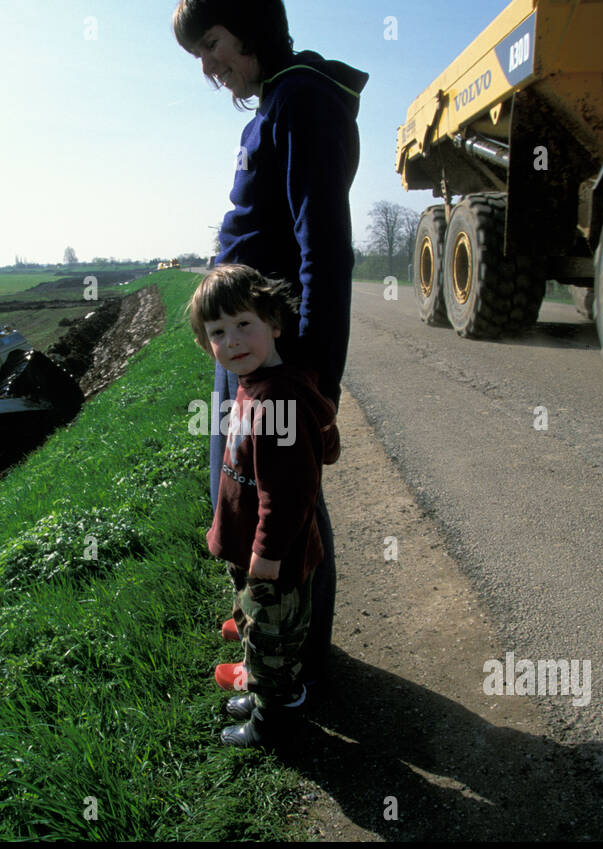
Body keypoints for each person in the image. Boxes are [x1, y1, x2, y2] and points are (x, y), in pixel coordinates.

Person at [173, 0, 367, 691]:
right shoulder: (277, 101)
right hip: (246, 348)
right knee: (243, 479)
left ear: (251, 26)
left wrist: (318, 374)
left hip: (277, 356)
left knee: (288, 496)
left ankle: (298, 657)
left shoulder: (302, 101)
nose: (207, 65)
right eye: (198, 51)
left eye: (214, 42)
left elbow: (324, 251)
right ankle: (257, 612)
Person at [188, 265, 340, 746]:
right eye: (218, 332)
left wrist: (268, 554)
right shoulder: (255, 382)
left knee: (274, 646)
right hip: (249, 554)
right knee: (254, 627)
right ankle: (258, 689)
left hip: (274, 561)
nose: (232, 341)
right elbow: (323, 444)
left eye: (243, 324)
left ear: (274, 322)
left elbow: (289, 493)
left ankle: (273, 719)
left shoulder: (280, 398)